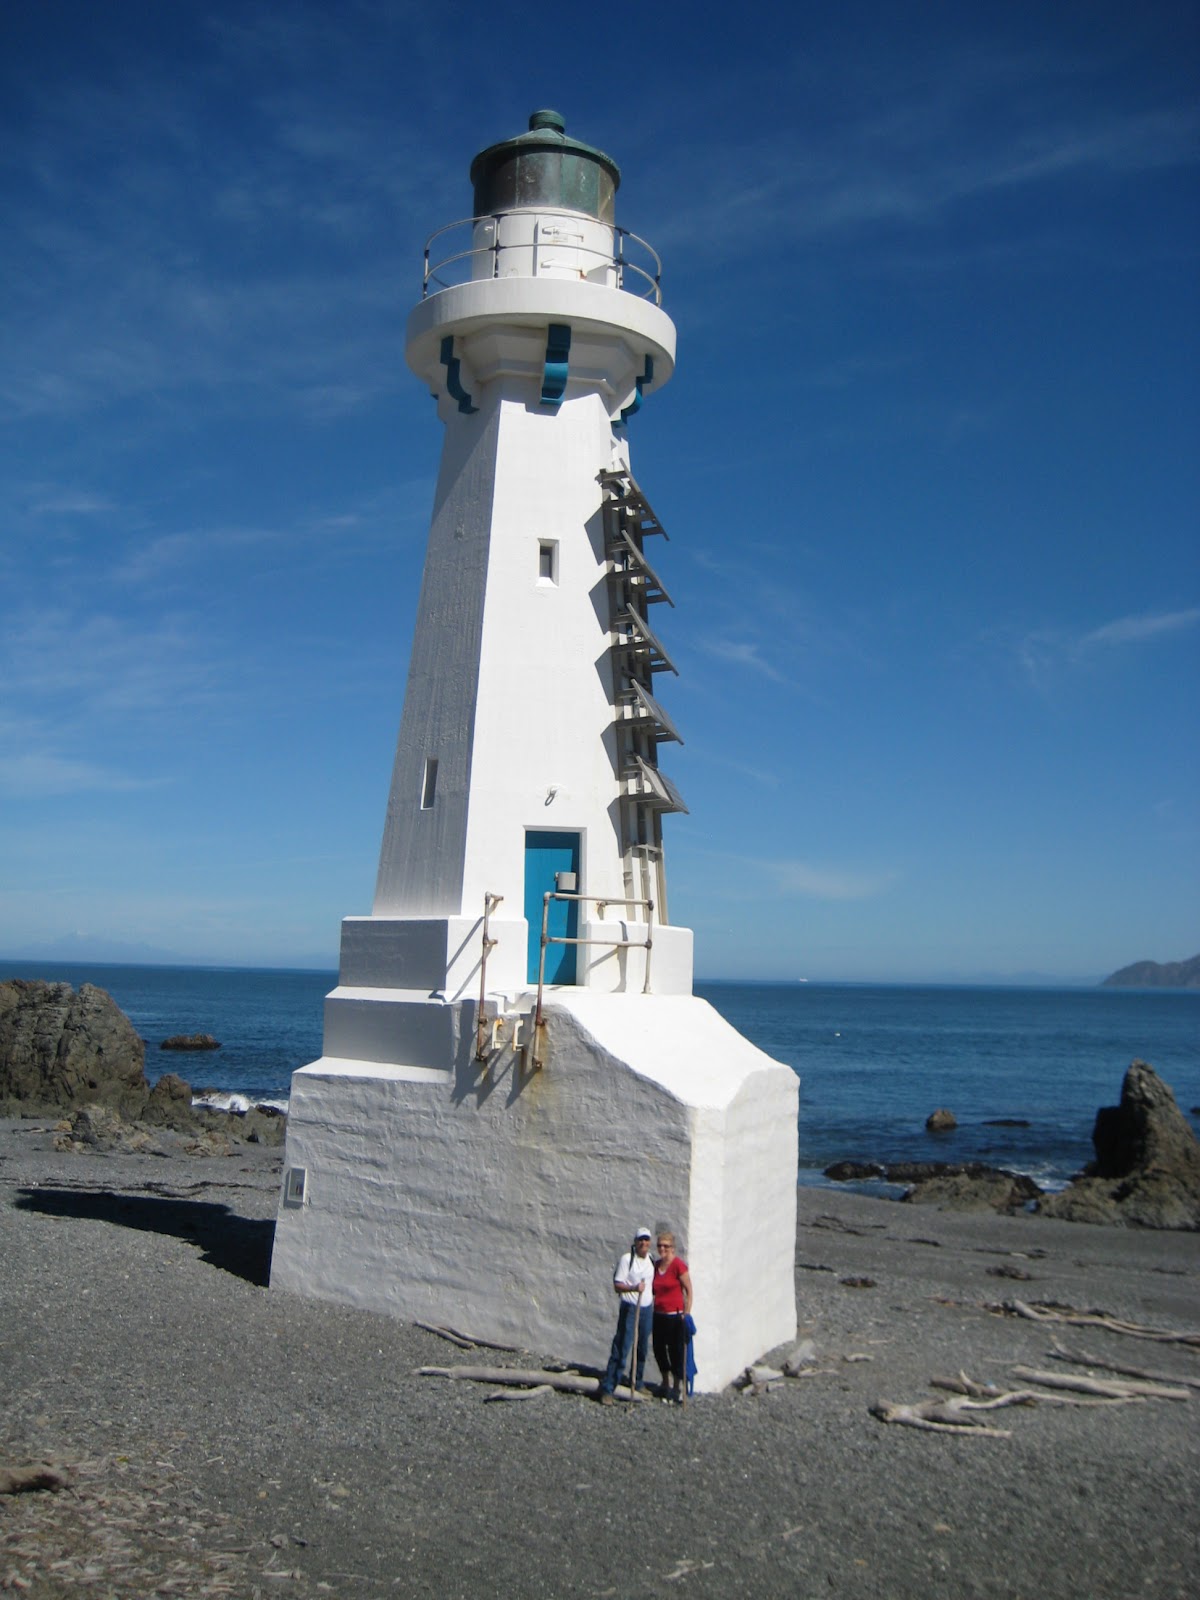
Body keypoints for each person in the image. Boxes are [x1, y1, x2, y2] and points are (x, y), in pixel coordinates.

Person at [598, 1227, 654, 1404]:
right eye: (640, 1240)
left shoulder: (651, 1259)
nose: (643, 1243)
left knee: (642, 1348)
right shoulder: (627, 1259)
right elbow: (617, 1285)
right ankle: (608, 1388)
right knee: (622, 1347)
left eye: (646, 1240)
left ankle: (637, 1382)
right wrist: (633, 1288)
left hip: (646, 1309)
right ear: (635, 1242)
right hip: (630, 1308)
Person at [652, 1231, 692, 1403]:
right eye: (660, 1245)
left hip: (674, 1315)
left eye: (666, 1246)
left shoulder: (678, 1266)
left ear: (672, 1247)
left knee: (675, 1351)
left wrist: (686, 1312)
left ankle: (676, 1386)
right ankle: (665, 1382)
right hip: (658, 1314)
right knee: (659, 1348)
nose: (662, 1249)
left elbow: (689, 1290)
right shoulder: (656, 1266)